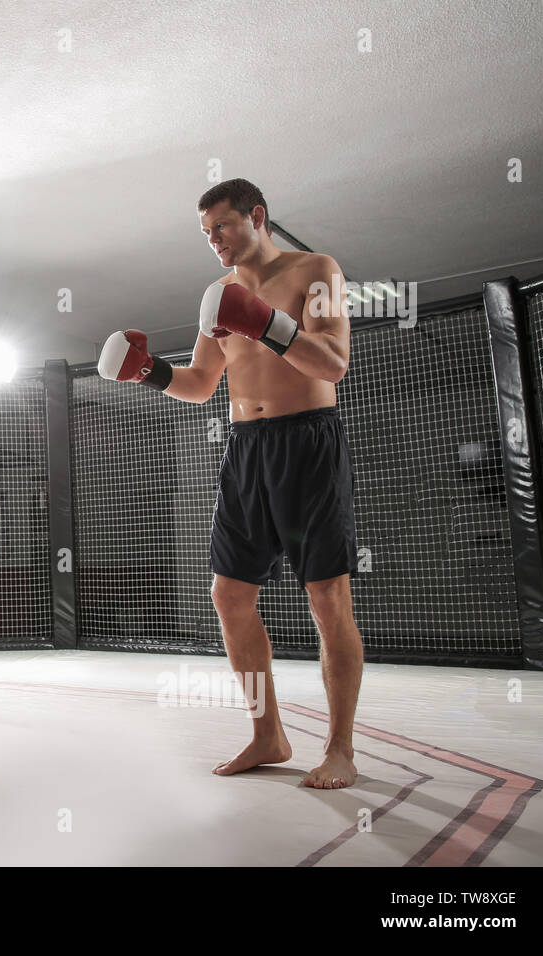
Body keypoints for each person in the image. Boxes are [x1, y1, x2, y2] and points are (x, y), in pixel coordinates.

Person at [98, 178, 362, 789]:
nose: (213, 241)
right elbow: (199, 384)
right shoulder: (218, 295)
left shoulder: (315, 270)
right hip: (245, 449)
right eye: (205, 233)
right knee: (229, 595)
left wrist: (268, 323)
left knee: (327, 597)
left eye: (221, 227)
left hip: (308, 443)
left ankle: (340, 748)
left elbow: (334, 363)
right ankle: (267, 733)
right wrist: (148, 372)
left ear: (257, 216)